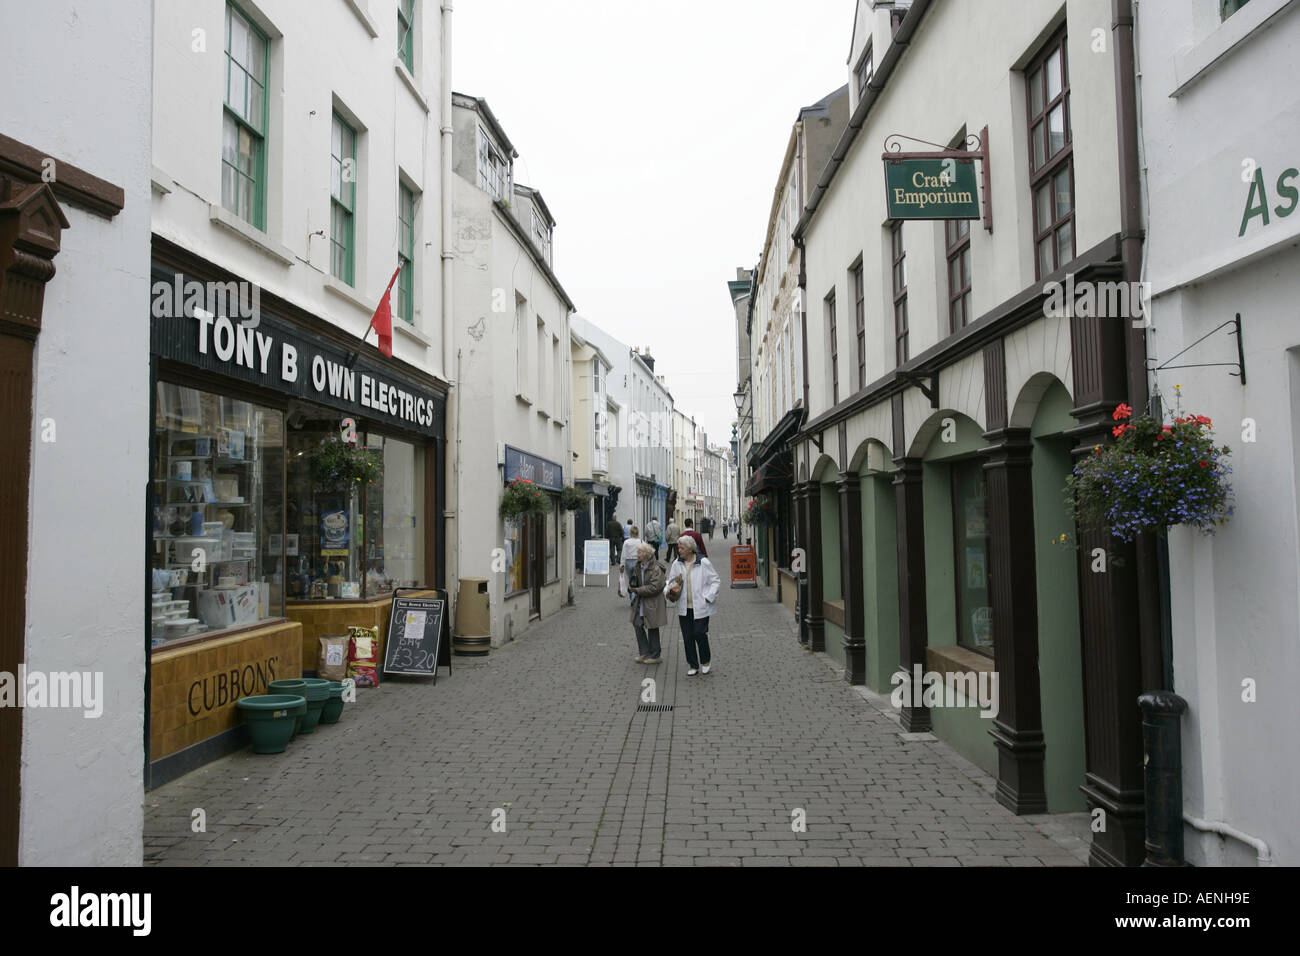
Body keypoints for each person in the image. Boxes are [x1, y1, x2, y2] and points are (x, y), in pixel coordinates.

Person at [665, 535, 719, 675]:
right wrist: (668, 591)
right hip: (685, 607)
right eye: (678, 547)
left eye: (681, 548)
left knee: (699, 633)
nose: (679, 550)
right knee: (687, 636)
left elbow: (715, 580)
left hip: (701, 606)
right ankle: (693, 665)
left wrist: (708, 597)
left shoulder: (703, 562)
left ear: (690, 549)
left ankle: (705, 661)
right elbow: (671, 581)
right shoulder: (677, 563)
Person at [629, 542, 666, 664]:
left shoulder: (656, 568)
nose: (637, 554)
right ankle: (644, 652)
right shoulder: (638, 566)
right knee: (637, 624)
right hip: (641, 601)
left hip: (653, 602)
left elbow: (655, 587)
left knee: (652, 627)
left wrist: (637, 590)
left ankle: (655, 656)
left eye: (639, 552)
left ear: (645, 554)